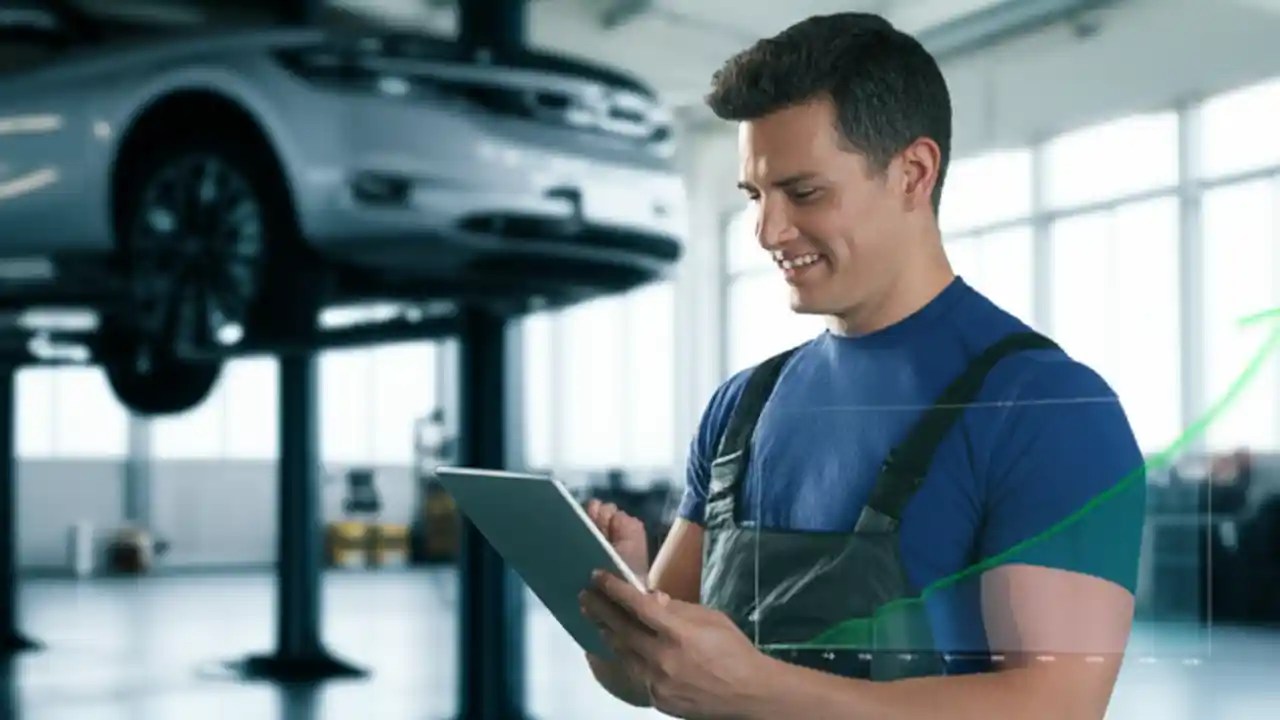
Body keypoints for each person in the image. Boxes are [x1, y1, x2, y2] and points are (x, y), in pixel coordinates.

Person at [579, 11, 1146, 720]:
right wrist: (625, 609)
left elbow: (1054, 707)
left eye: (804, 193)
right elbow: (653, 682)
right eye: (756, 197)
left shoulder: (1046, 410)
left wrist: (757, 688)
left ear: (913, 172)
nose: (768, 232)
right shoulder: (741, 408)